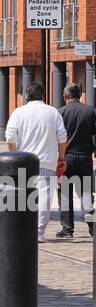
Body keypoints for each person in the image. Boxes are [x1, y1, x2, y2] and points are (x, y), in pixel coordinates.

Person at [3, 82, 67, 242]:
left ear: (27, 95)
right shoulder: (53, 113)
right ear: (43, 95)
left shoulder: (19, 112)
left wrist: (15, 154)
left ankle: (19, 229)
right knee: (44, 197)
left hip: (23, 161)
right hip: (47, 161)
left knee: (21, 195)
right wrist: (61, 157)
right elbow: (62, 138)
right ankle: (38, 232)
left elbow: (10, 136)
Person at [54, 82, 96, 239]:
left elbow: (55, 137)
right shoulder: (91, 111)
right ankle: (92, 226)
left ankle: (67, 229)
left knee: (64, 193)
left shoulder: (60, 112)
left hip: (65, 158)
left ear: (65, 96)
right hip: (85, 158)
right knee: (85, 193)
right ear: (80, 95)